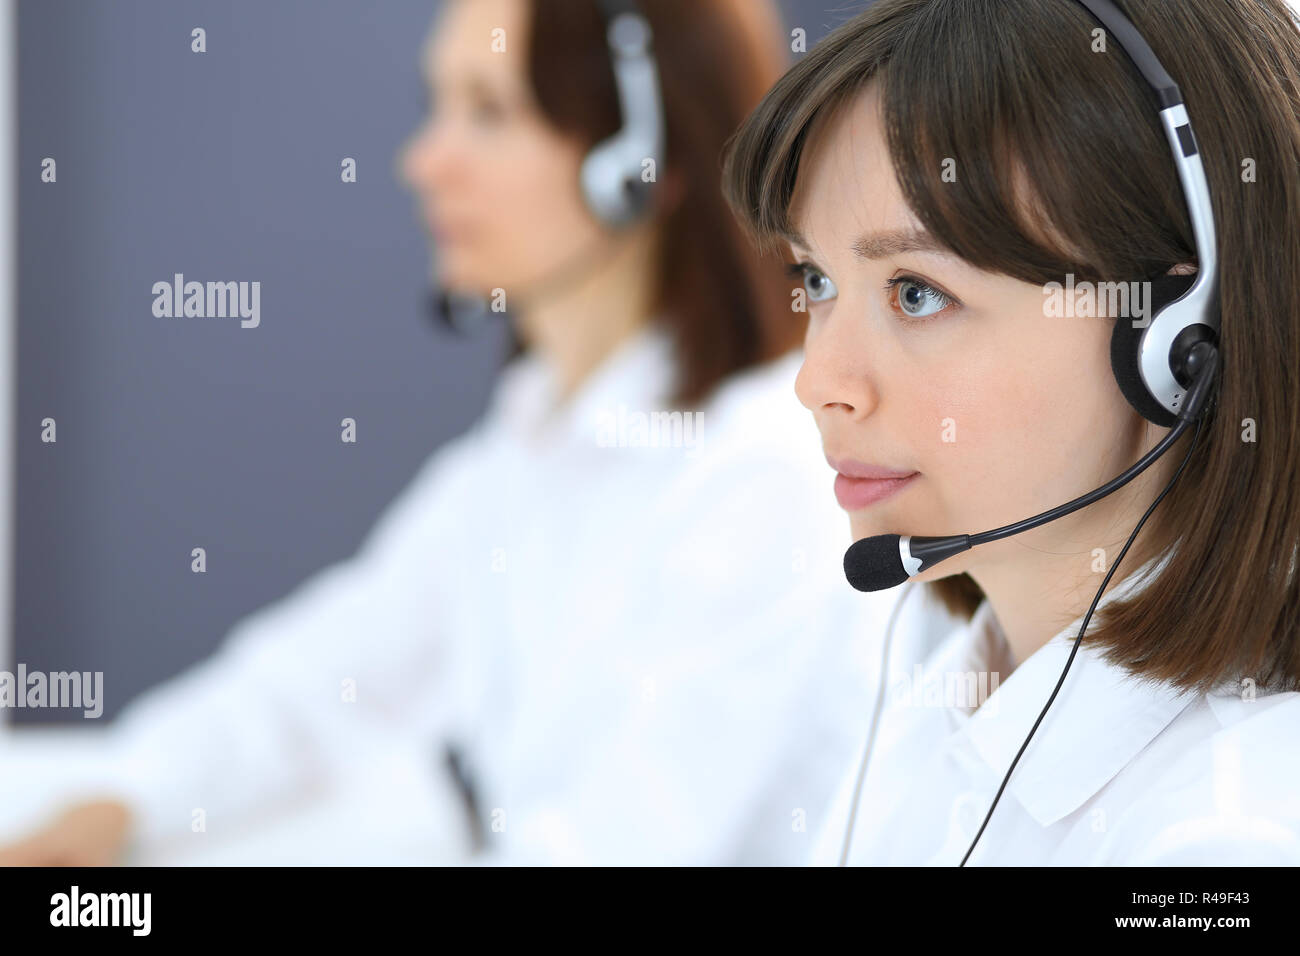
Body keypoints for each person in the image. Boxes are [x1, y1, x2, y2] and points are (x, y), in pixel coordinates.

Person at [0, 0, 953, 866]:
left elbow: (615, 849)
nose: (425, 160)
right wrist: (119, 803)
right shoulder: (534, 443)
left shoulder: (761, 478)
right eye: (439, 104)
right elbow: (310, 684)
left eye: (487, 112)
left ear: (638, 163)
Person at [721, 0, 1300, 865]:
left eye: (917, 292)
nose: (818, 384)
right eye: (818, 277)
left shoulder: (1224, 844)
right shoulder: (952, 704)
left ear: (1178, 343)